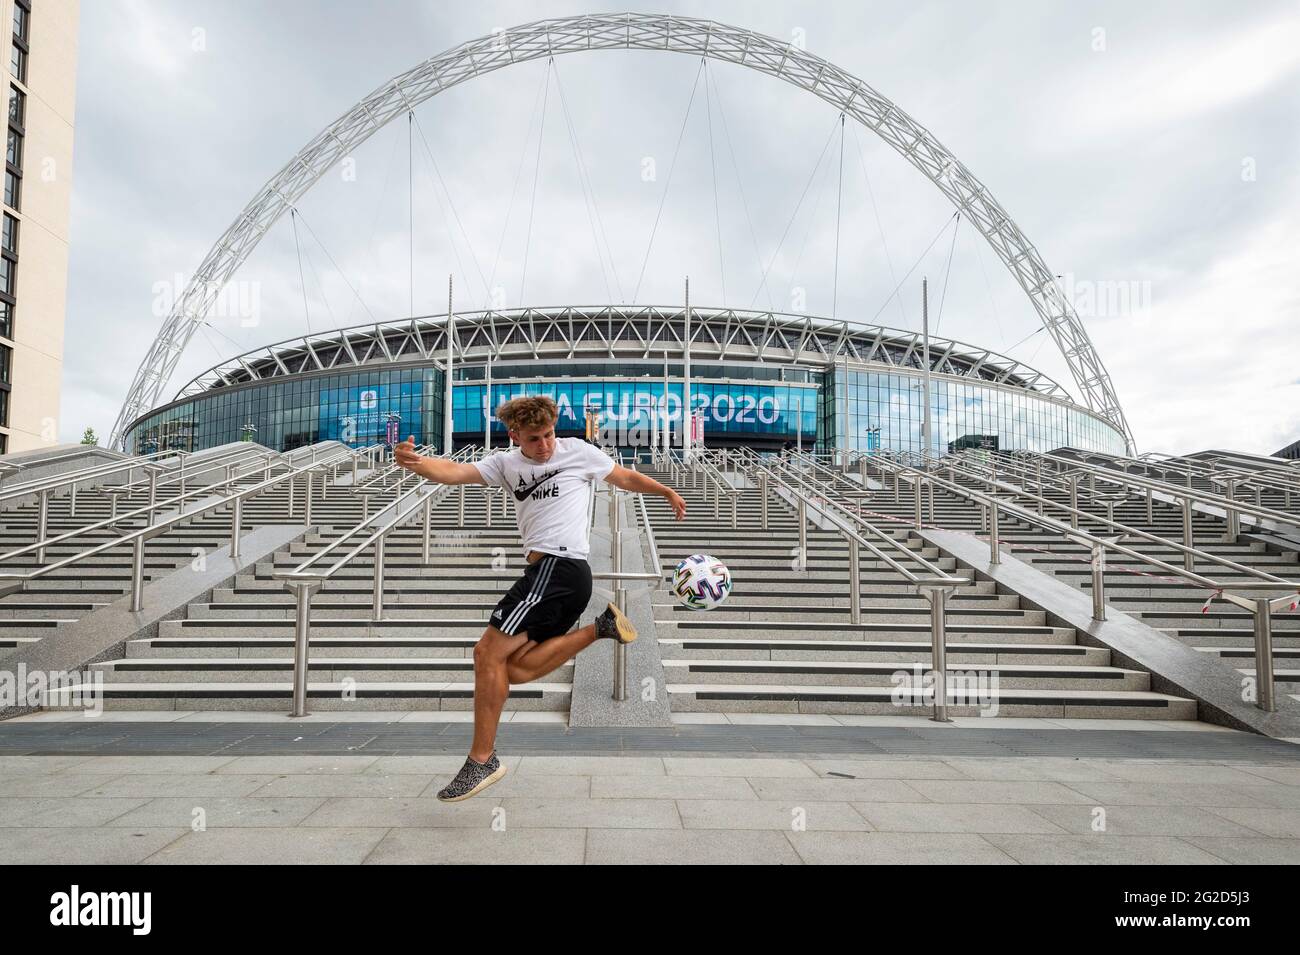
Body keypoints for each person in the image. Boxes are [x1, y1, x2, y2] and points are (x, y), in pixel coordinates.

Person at [393, 395, 687, 801]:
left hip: (559, 569)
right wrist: (416, 463)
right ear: (515, 436)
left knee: (485, 653)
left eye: (548, 434)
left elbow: (622, 477)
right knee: (513, 669)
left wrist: (665, 491)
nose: (545, 445)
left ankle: (481, 760)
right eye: (534, 439)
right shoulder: (505, 464)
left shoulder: (578, 451)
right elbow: (455, 472)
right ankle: (602, 627)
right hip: (551, 576)